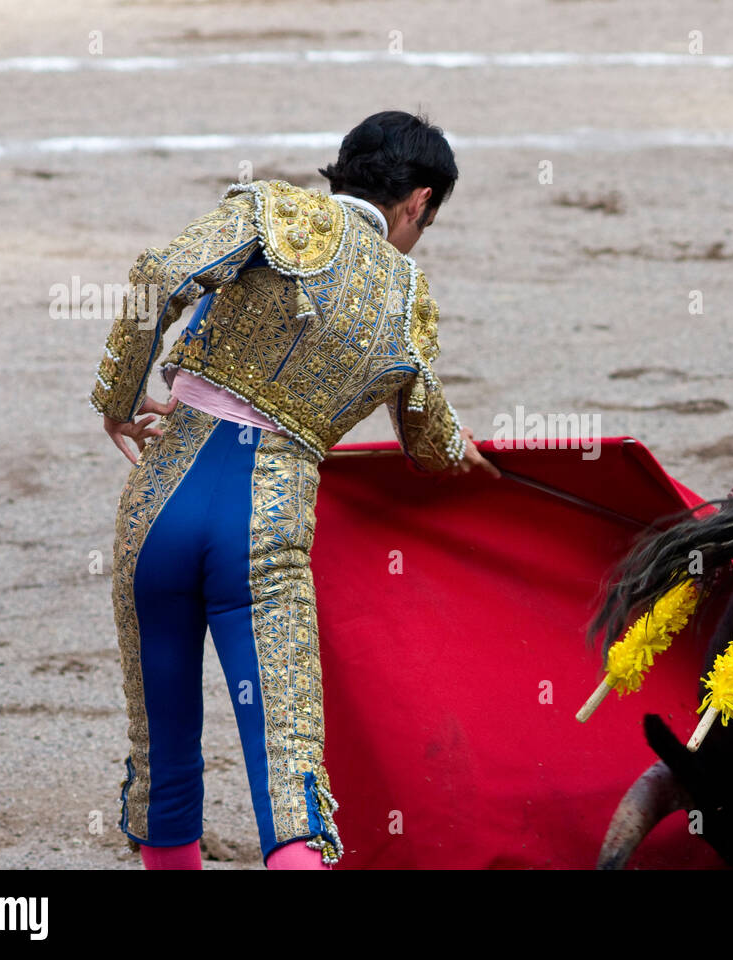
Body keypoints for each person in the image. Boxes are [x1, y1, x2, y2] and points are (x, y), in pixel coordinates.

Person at [88, 111, 500, 870]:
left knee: (163, 757)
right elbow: (432, 444)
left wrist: (118, 395)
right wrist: (474, 458)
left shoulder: (272, 211)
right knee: (289, 779)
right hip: (263, 527)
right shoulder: (405, 297)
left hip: (159, 510)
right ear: (418, 203)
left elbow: (159, 274)